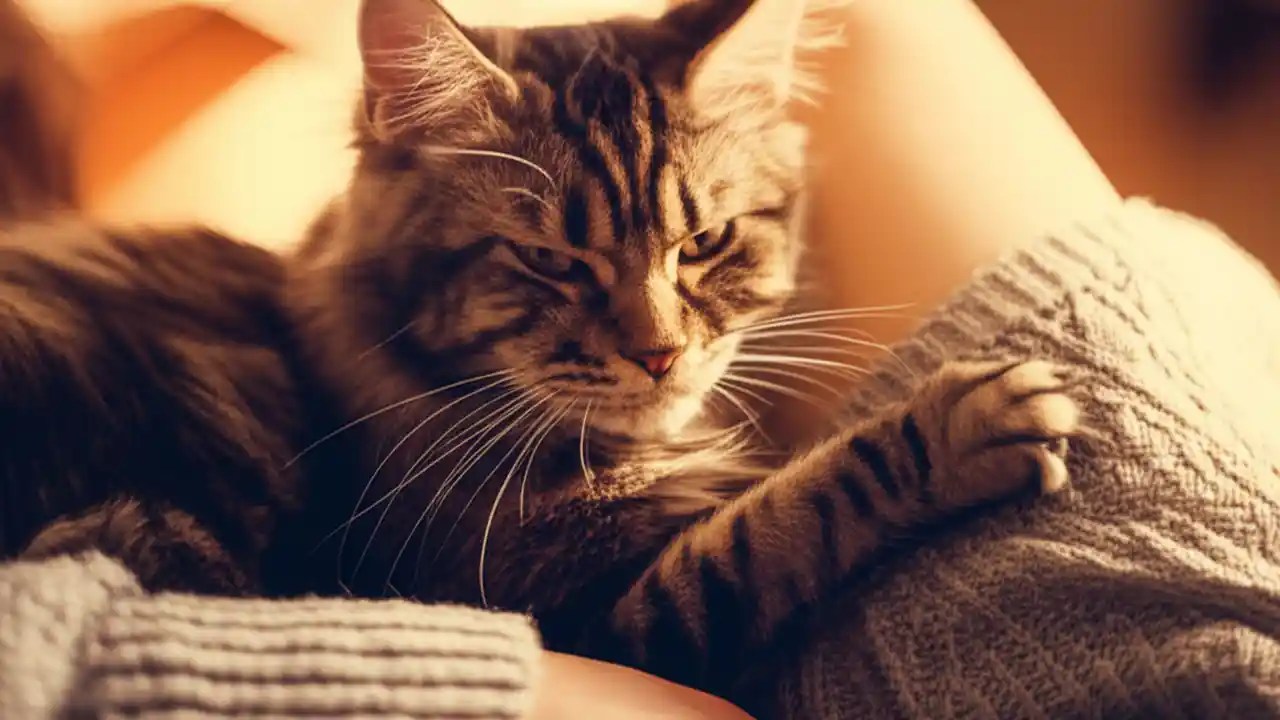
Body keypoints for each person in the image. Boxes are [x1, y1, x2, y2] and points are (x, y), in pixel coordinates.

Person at [14, 1, 1279, 719]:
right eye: (554, 267)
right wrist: (882, 475)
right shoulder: (427, 457)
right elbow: (646, 643)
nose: (657, 340)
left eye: (709, 244)